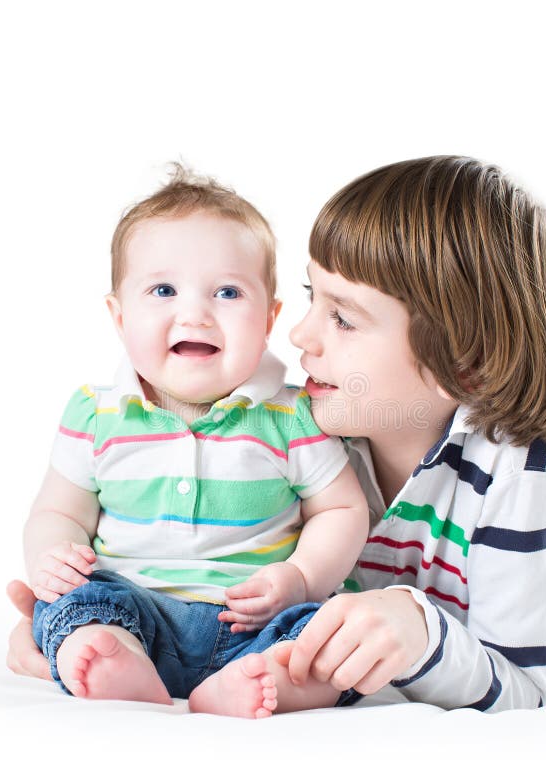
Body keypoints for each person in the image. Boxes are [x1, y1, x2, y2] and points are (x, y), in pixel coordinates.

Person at [8, 156, 546, 712]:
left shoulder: (522, 478)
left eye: (343, 318)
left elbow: (522, 688)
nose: (300, 336)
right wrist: (76, 624)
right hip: (381, 603)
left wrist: (420, 631)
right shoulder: (312, 422)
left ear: (461, 363)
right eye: (312, 297)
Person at [23, 166, 369, 719]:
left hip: (255, 622)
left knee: (331, 633)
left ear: (269, 319)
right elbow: (58, 512)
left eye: (228, 292)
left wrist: (301, 577)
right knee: (76, 605)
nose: (195, 314)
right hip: (133, 608)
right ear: (119, 316)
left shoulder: (291, 415)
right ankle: (115, 660)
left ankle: (263, 679)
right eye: (163, 291)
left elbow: (342, 509)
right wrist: (53, 557)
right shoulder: (96, 414)